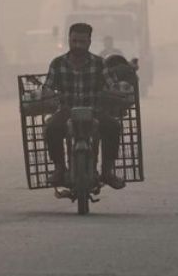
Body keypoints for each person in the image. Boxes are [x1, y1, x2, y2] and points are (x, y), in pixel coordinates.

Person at [43, 23, 126, 190]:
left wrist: (118, 91)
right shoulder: (57, 63)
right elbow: (48, 87)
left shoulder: (100, 63)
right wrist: (45, 95)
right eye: (74, 41)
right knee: (51, 127)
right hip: (66, 111)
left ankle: (107, 171)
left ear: (89, 42)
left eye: (81, 42)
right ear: (69, 40)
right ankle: (59, 168)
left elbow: (113, 85)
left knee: (114, 127)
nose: (77, 46)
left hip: (94, 111)